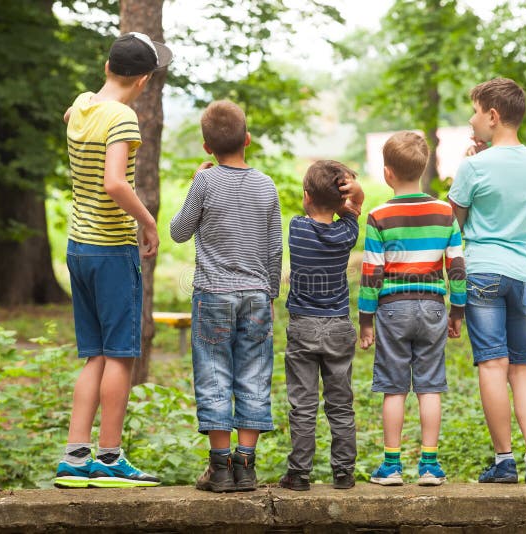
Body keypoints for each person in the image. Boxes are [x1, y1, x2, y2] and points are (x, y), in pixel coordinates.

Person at [54, 32, 172, 489]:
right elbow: (114, 183)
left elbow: (70, 113)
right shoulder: (123, 118)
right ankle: (108, 457)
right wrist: (147, 222)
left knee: (95, 355)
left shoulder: (83, 104)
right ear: (143, 79)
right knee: (120, 355)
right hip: (110, 248)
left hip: (78, 248)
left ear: (107, 67)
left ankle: (74, 457)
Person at [170, 100, 282, 493]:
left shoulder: (205, 182)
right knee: (254, 375)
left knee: (214, 374)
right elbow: (274, 248)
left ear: (206, 148)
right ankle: (246, 466)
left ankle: (219, 470)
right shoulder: (266, 184)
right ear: (247, 140)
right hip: (255, 293)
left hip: (213, 295)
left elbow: (179, 231)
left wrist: (195, 181)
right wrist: (272, 292)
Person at [448, 77, 526, 484]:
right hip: (524, 274)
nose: (472, 118)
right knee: (522, 367)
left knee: (493, 365)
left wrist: (473, 162)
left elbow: (452, 223)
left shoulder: (473, 166)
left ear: (492, 116)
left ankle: (504, 460)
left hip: (484, 272)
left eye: (475, 111)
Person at [359, 131, 466, 487]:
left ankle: (391, 466)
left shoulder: (378, 216)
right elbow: (457, 266)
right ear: (423, 169)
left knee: (394, 387)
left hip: (392, 309)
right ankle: (430, 465)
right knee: (429, 385)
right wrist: (457, 312)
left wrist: (365, 320)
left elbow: (371, 272)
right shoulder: (444, 212)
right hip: (434, 307)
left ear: (388, 173)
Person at [277, 161, 365, 492]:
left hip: (303, 328)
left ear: (307, 196)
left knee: (303, 404)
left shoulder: (297, 228)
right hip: (339, 327)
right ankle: (344, 473)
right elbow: (353, 212)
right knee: (340, 403)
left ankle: (299, 474)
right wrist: (354, 198)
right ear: (340, 201)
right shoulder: (347, 234)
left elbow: (336, 210)